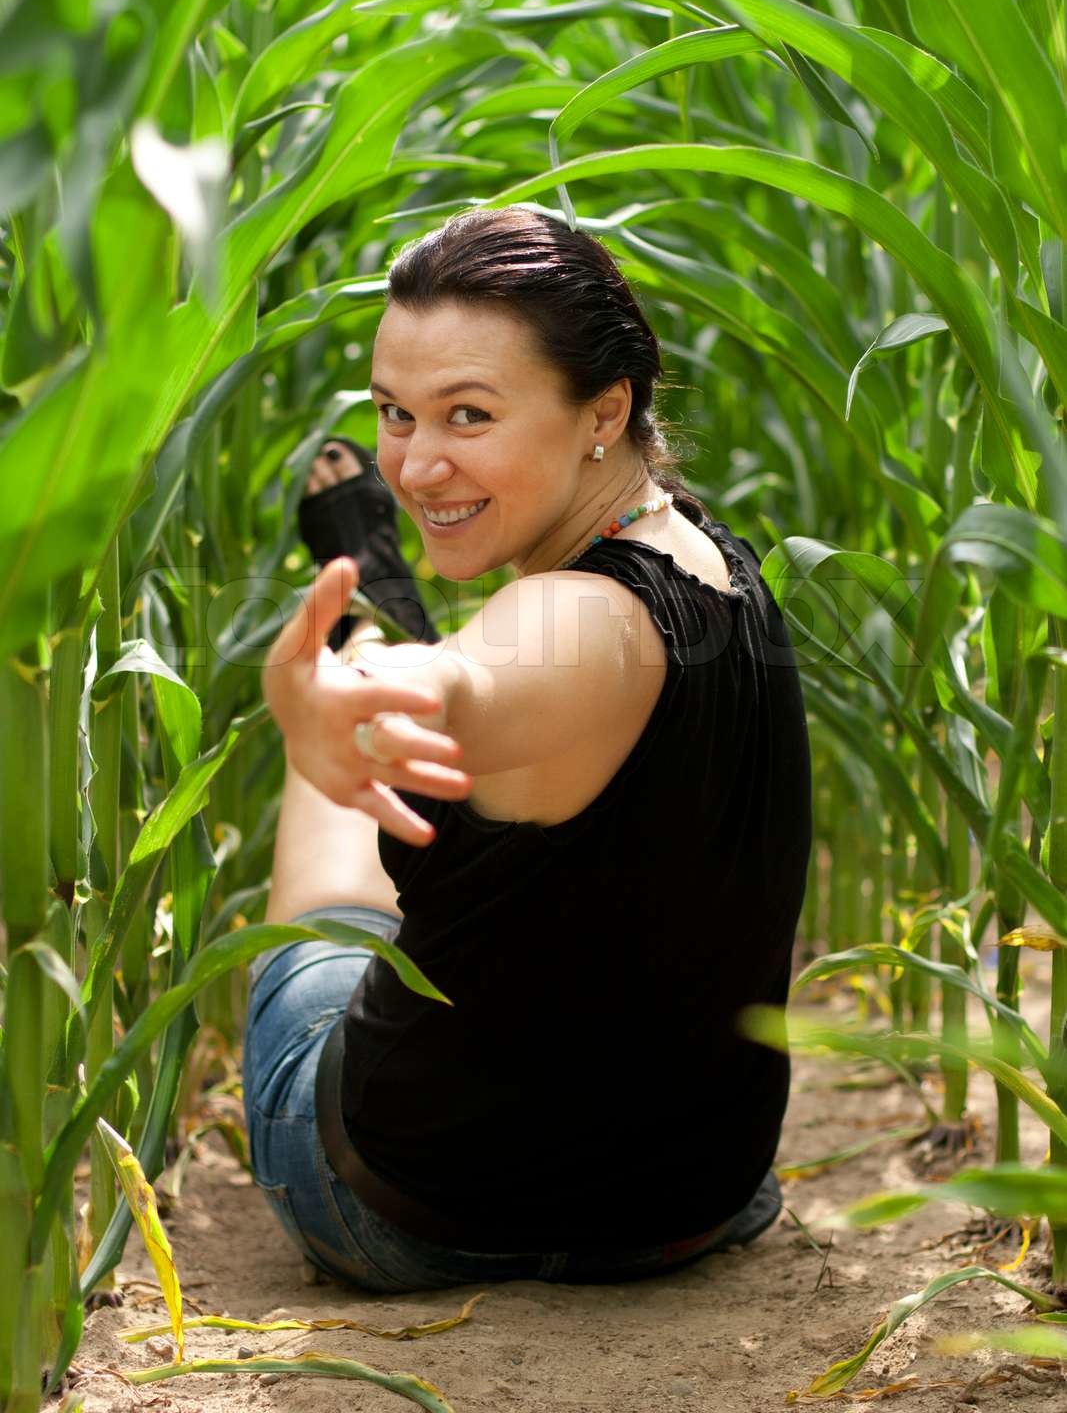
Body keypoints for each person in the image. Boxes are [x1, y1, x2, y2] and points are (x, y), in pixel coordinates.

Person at [242, 205, 812, 1293]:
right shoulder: (715, 558)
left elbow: (475, 674)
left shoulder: (578, 626)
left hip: (410, 1206)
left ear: (604, 409)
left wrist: (346, 686)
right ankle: (381, 606)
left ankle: (369, 597)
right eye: (395, 414)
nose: (413, 467)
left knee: (331, 895)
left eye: (468, 414)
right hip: (688, 1202)